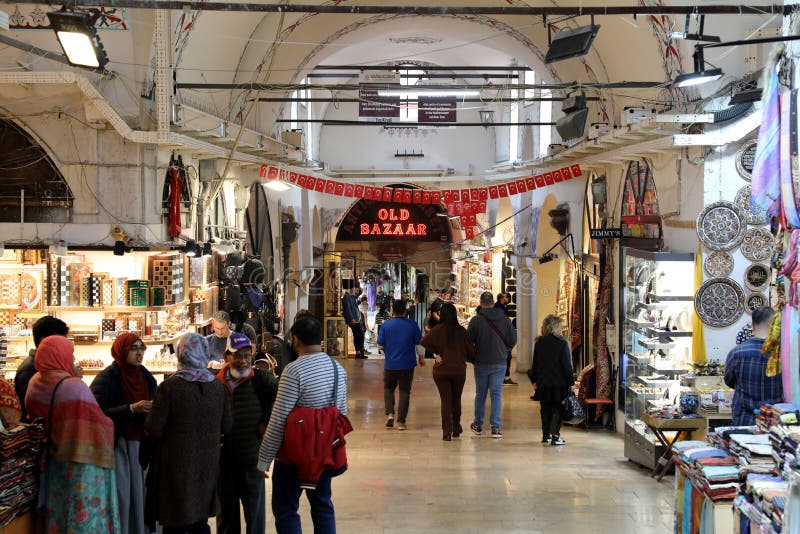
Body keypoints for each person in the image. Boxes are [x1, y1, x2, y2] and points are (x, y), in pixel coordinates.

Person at [257, 316, 348, 534]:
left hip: (293, 454)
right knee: (322, 505)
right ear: (320, 339)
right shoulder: (337, 369)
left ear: (295, 340)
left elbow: (279, 418)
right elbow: (341, 415)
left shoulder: (293, 371)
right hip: (323, 453)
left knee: (286, 508)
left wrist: (263, 459)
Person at [25, 335, 120, 532]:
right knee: (82, 516)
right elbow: (100, 423)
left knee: (58, 514)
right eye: (71, 355)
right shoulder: (74, 387)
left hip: (51, 462)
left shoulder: (35, 383)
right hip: (79, 465)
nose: (73, 359)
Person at [144, 333, 232, 534]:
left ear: (181, 353)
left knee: (175, 520)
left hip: (176, 463)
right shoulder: (218, 387)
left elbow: (154, 427)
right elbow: (227, 426)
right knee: (200, 519)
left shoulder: (170, 387)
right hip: (207, 461)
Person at [90, 333, 157, 534]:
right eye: (134, 348)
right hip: (118, 447)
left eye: (141, 348)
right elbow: (95, 415)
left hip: (142, 446)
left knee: (140, 495)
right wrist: (129, 409)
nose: (139, 353)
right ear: (122, 351)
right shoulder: (107, 379)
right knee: (123, 497)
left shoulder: (146, 378)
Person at [215, 332, 278, 534]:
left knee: (255, 517)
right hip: (223, 464)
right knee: (226, 517)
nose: (243, 361)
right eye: (237, 356)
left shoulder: (262, 380)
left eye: (246, 356)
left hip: (253, 462)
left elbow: (285, 399)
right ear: (226, 357)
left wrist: (266, 421)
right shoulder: (215, 385)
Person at [420, 302, 475, 441]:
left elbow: (424, 341)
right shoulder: (461, 331)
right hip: (458, 370)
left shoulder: (437, 329)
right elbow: (471, 352)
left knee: (446, 401)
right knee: (456, 399)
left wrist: (435, 354)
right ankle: (456, 427)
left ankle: (446, 432)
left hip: (441, 370)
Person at [467, 291, 517, 439]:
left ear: (481, 303)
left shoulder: (476, 320)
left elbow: (468, 341)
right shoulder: (504, 319)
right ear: (493, 302)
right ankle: (496, 428)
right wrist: (505, 349)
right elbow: (513, 339)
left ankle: (478, 424)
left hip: (481, 361)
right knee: (496, 394)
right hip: (499, 362)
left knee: (480, 394)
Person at [724, 306, 784, 426]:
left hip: (744, 419)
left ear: (752, 325)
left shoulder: (736, 353)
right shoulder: (784, 354)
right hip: (775, 421)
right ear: (774, 325)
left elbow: (729, 381)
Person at [528, 315, 574, 446]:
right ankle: (555, 436)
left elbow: (535, 364)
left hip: (543, 382)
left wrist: (534, 381)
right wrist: (571, 382)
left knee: (545, 409)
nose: (562, 329)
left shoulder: (539, 343)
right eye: (560, 326)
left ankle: (545, 435)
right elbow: (566, 365)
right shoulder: (562, 343)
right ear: (554, 327)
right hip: (559, 383)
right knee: (557, 409)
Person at [378, 299, 423, 431]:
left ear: (393, 311)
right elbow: (419, 344)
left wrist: (388, 354)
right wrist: (421, 357)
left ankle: (390, 414)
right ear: (405, 311)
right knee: (404, 392)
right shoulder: (412, 325)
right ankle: (401, 422)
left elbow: (380, 345)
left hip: (390, 364)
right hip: (407, 364)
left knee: (388, 388)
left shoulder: (386, 325)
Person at [14, 316, 69, 421]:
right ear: (45, 341)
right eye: (60, 341)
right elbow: (34, 410)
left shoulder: (44, 366)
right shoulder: (30, 370)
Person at [495, 293, 517, 386]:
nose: (508, 298)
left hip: (499, 337)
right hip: (502, 338)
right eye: (506, 297)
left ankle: (502, 377)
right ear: (501, 298)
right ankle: (505, 378)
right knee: (506, 357)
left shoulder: (500, 307)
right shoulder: (499, 309)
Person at [342, 284, 366, 359]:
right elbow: (347, 309)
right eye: (356, 289)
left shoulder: (352, 297)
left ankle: (361, 353)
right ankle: (358, 354)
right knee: (358, 335)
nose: (357, 291)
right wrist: (351, 319)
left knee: (360, 335)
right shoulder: (347, 297)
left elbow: (360, 292)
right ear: (352, 288)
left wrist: (359, 290)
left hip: (356, 319)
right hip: (352, 320)